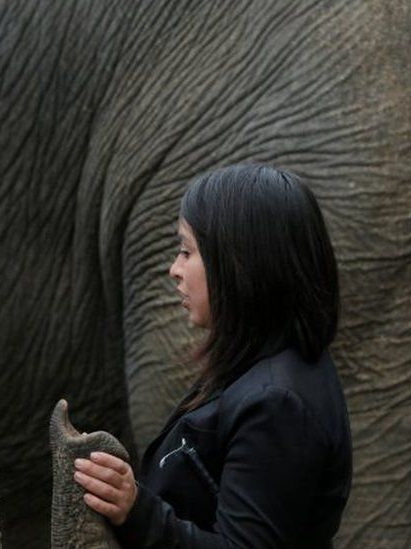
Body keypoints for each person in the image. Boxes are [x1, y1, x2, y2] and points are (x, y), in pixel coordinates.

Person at [73, 164, 353, 548]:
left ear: (241, 263)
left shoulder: (278, 404)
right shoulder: (259, 368)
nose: (175, 269)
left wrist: (137, 510)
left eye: (188, 251)